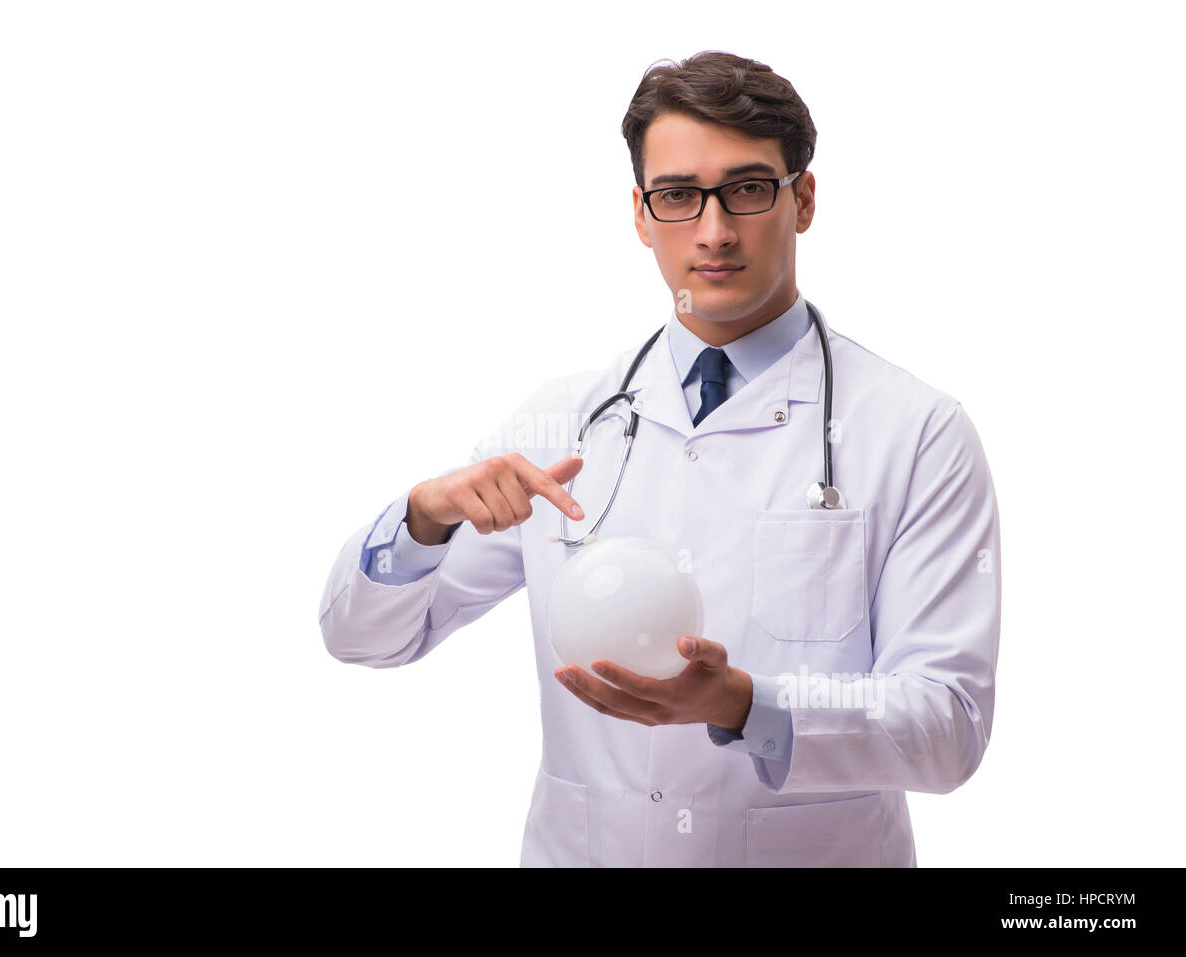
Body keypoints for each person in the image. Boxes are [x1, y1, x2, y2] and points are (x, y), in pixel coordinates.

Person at [319, 50, 1001, 867]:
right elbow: (363, 638)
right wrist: (424, 520)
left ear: (804, 200)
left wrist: (748, 703)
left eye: (747, 189)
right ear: (642, 215)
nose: (713, 231)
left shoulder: (915, 431)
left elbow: (949, 725)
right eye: (678, 196)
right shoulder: (560, 422)